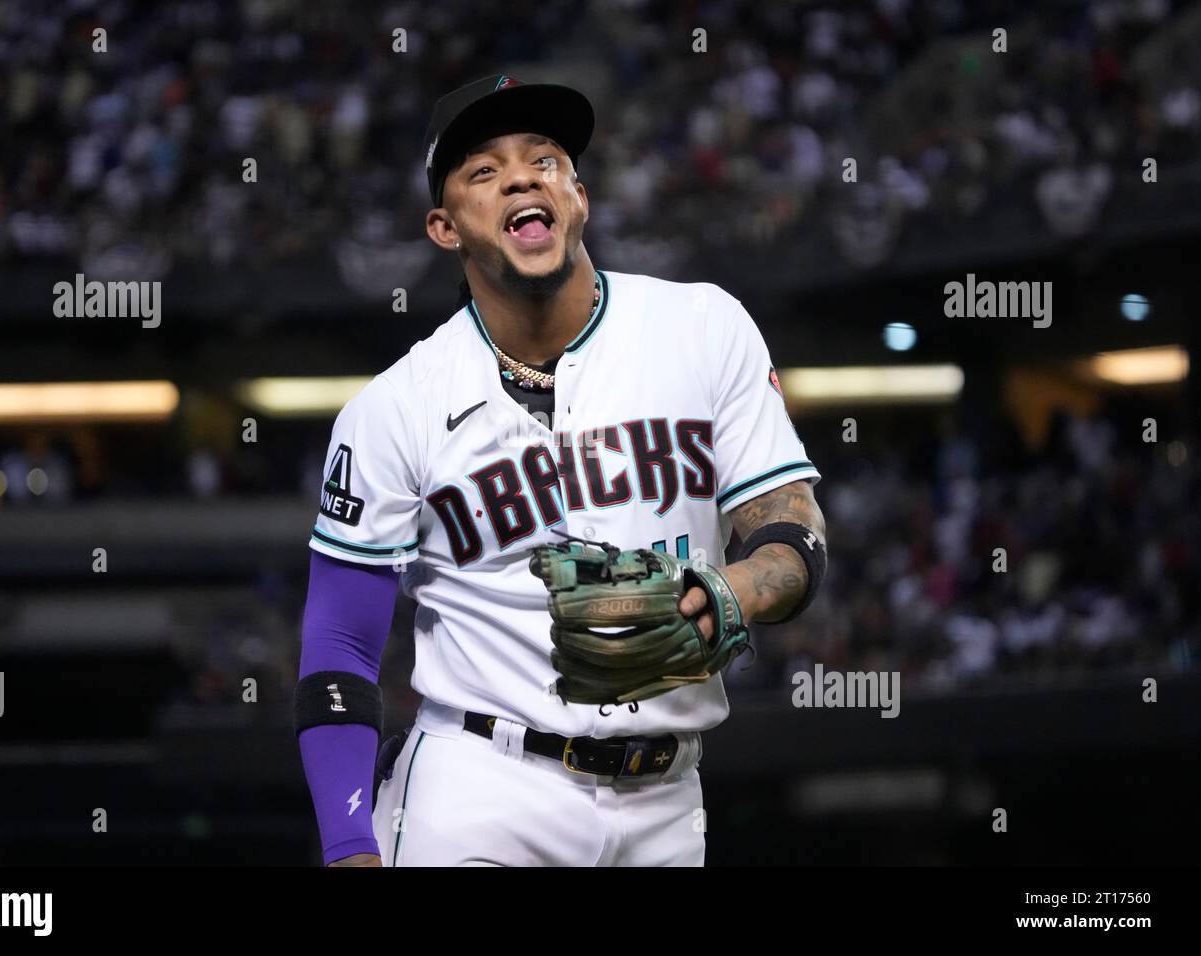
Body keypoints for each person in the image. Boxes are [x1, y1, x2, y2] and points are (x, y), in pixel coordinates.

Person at [296, 74, 827, 867]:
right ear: (445, 228)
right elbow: (339, 647)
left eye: (544, 160)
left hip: (668, 798)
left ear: (577, 197)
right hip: (481, 792)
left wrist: (736, 591)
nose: (519, 176)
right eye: (483, 171)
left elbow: (791, 533)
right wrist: (348, 848)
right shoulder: (394, 409)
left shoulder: (702, 327)